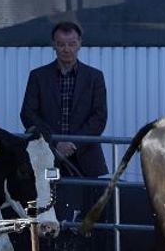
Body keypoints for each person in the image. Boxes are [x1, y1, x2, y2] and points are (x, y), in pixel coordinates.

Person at [20, 21, 109, 181]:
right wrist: (54, 143)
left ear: (80, 44)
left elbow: (99, 116)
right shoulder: (38, 76)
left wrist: (73, 143)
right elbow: (28, 114)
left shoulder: (95, 77)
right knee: (47, 203)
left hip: (86, 159)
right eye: (61, 44)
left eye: (72, 44)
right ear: (53, 44)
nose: (66, 49)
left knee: (89, 205)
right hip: (48, 156)